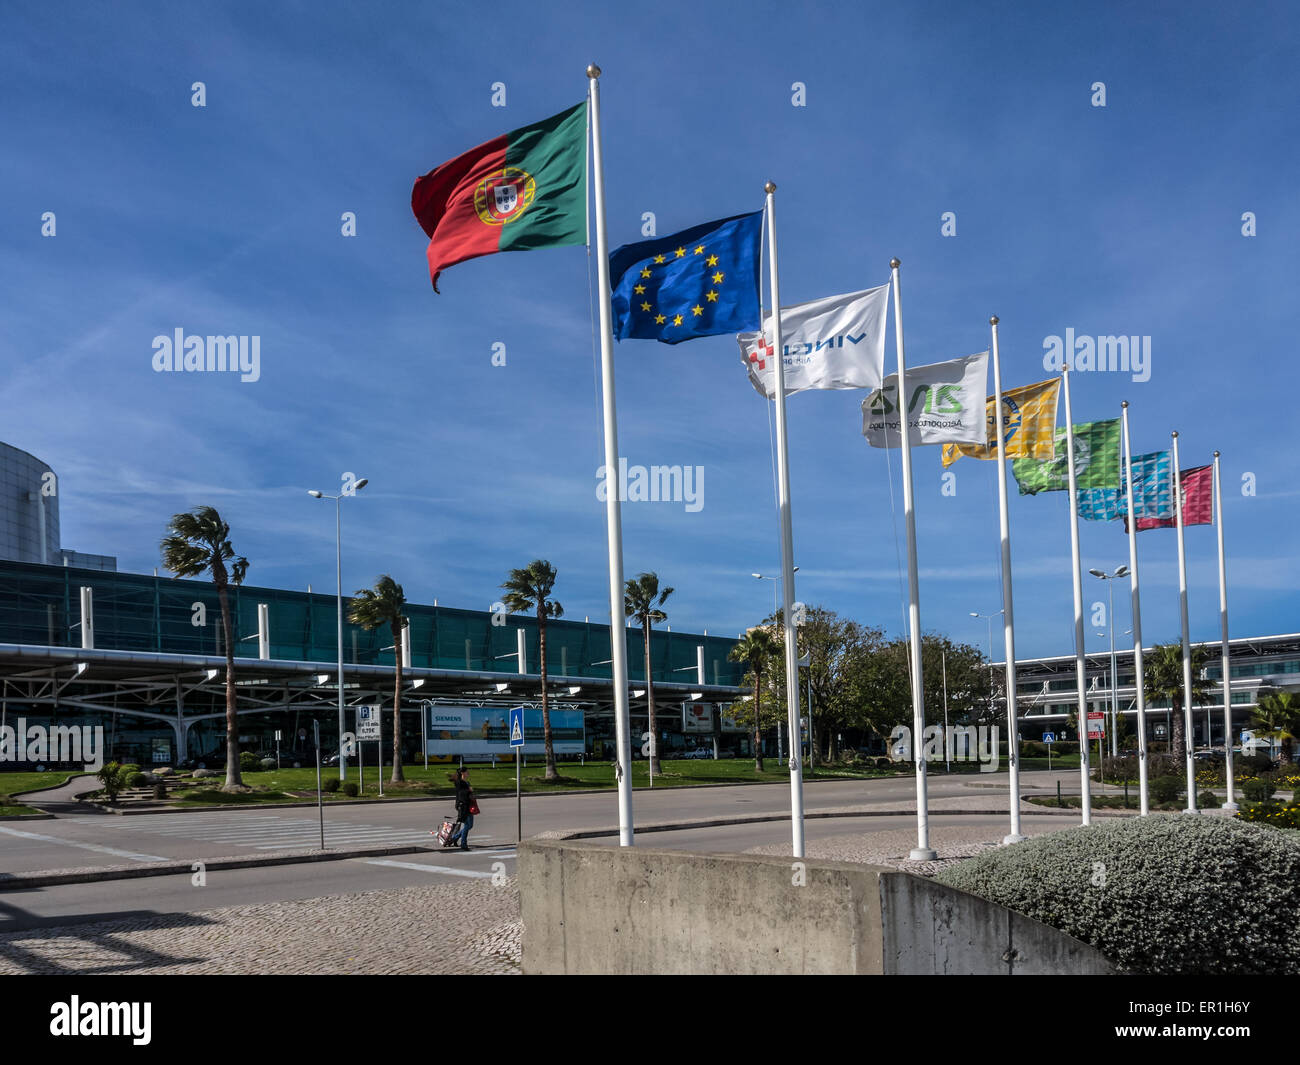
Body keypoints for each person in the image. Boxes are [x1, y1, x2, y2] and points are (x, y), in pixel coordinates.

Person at [448, 766, 475, 850]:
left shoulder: (467, 782)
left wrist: (470, 792)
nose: (468, 773)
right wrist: (469, 791)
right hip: (462, 805)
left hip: (469, 805)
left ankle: (454, 838)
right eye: (467, 772)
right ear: (462, 773)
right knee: (467, 825)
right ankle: (463, 844)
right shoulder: (459, 782)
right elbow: (461, 794)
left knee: (470, 825)